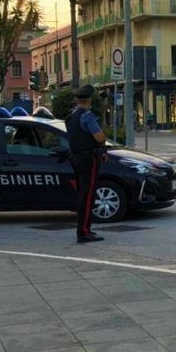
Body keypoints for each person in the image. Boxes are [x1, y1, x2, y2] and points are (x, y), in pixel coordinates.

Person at [66, 84, 107, 243]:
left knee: (82, 194)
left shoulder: (71, 116)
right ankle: (84, 231)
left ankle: (85, 229)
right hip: (88, 158)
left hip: (76, 157)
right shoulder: (87, 116)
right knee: (88, 195)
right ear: (89, 100)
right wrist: (103, 136)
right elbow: (99, 137)